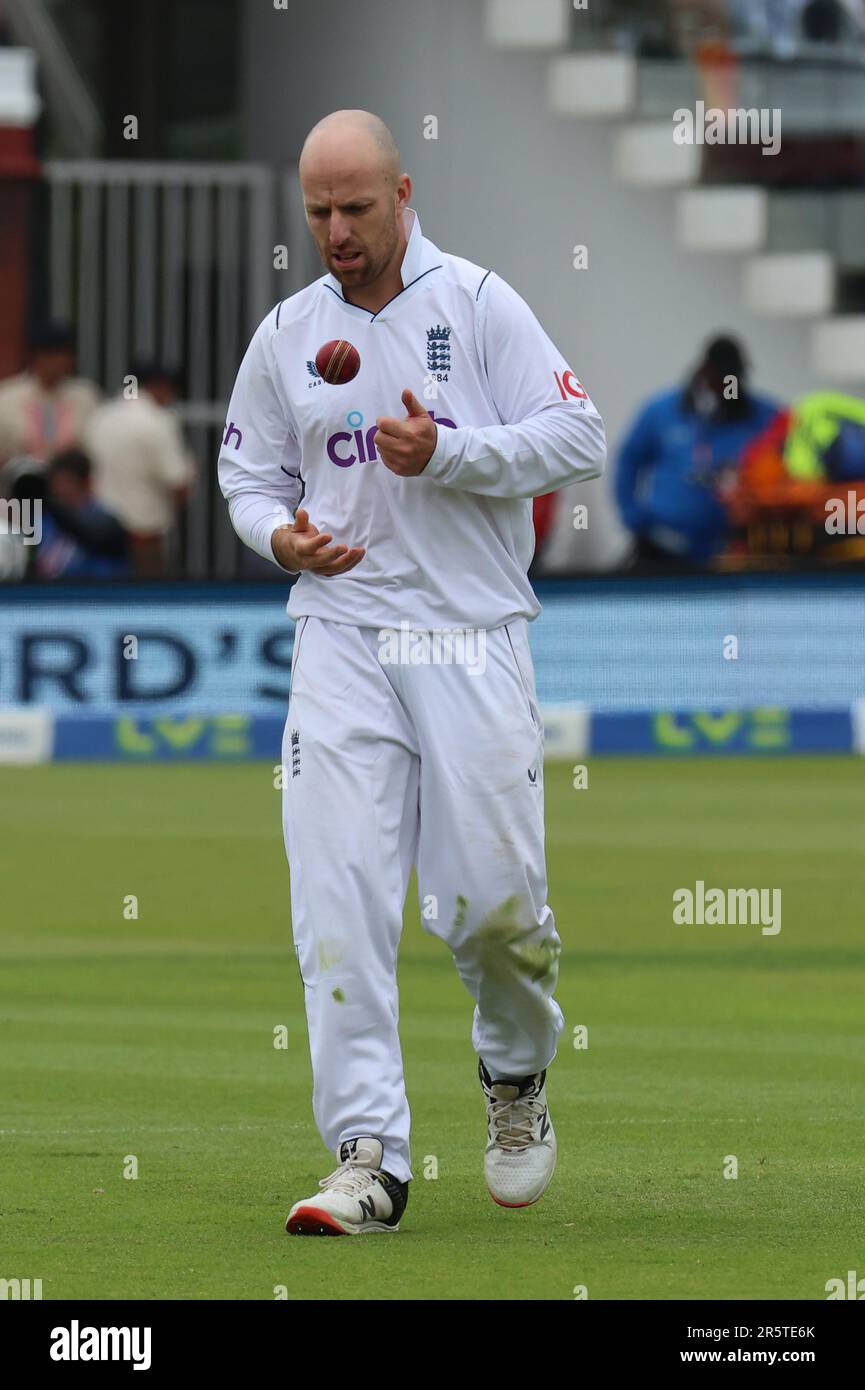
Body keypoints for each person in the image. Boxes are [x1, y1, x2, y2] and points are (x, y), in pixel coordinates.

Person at [218, 109, 606, 1236]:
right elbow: (247, 472)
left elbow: (576, 435)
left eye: (355, 207)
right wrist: (279, 538)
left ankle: (515, 1073)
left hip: (469, 633)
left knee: (492, 910)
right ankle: (366, 1155)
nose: (336, 231)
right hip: (339, 635)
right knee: (335, 900)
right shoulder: (287, 330)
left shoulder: (479, 305)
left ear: (402, 190)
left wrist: (452, 451)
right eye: (318, 213)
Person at [615, 335, 780, 571]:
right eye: (721, 376)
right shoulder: (662, 411)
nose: (728, 384)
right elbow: (629, 460)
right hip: (663, 550)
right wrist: (634, 518)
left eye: (734, 376)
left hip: (732, 556)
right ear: (705, 371)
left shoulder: (765, 418)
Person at [85, 362, 193, 576]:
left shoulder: (100, 417)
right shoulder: (158, 421)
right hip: (144, 539)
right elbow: (179, 484)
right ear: (159, 387)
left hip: (97, 534)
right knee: (148, 602)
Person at [0, 325, 101, 467]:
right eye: (54, 354)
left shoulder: (84, 396)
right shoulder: (8, 397)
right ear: (37, 357)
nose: (62, 361)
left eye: (66, 354)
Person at [34, 448, 129, 579]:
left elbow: (90, 535)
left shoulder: (107, 522)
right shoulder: (45, 521)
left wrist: (50, 504)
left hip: (96, 595)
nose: (60, 490)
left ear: (87, 483)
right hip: (46, 596)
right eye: (55, 484)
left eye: (67, 483)